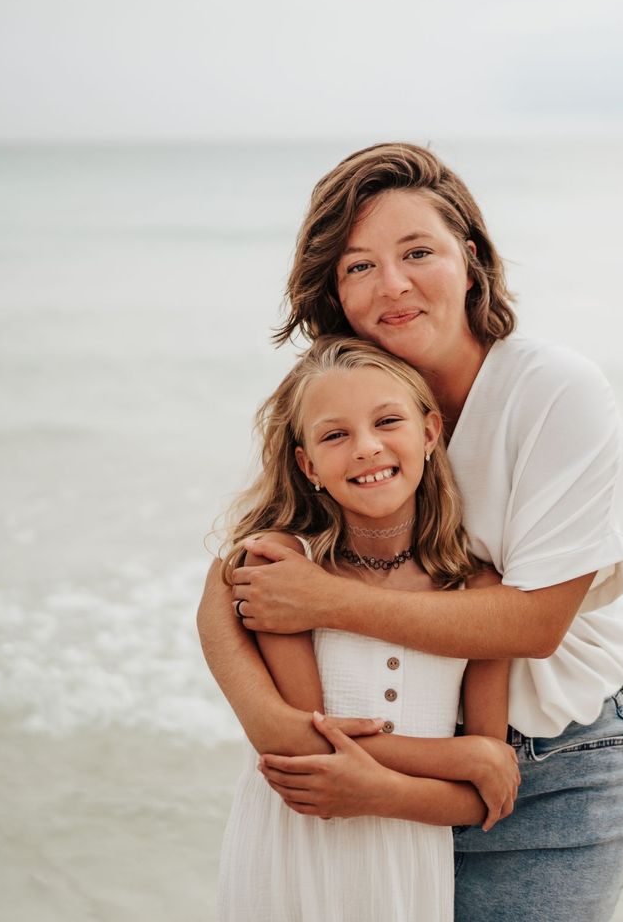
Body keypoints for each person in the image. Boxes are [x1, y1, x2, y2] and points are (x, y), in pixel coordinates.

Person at [199, 143, 623, 922]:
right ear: (335, 291)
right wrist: (271, 723)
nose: (392, 284)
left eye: (417, 252)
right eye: (358, 266)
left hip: (546, 777)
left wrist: (322, 602)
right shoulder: (348, 406)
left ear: (470, 259)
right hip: (360, 777)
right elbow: (247, 571)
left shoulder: (552, 390)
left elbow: (531, 623)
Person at [214, 335, 519, 922]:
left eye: (387, 421)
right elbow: (308, 749)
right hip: (293, 851)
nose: (366, 448)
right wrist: (468, 756)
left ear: (430, 433)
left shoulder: (479, 591)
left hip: (407, 866)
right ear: (308, 466)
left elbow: (484, 799)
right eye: (334, 435)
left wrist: (406, 786)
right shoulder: (282, 565)